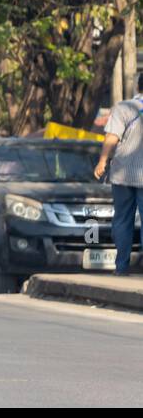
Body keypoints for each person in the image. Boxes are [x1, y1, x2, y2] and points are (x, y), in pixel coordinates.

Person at [94, 74, 143, 275]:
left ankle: (121, 267)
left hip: (122, 174)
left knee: (123, 219)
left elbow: (112, 138)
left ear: (138, 86)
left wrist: (102, 161)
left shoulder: (123, 108)